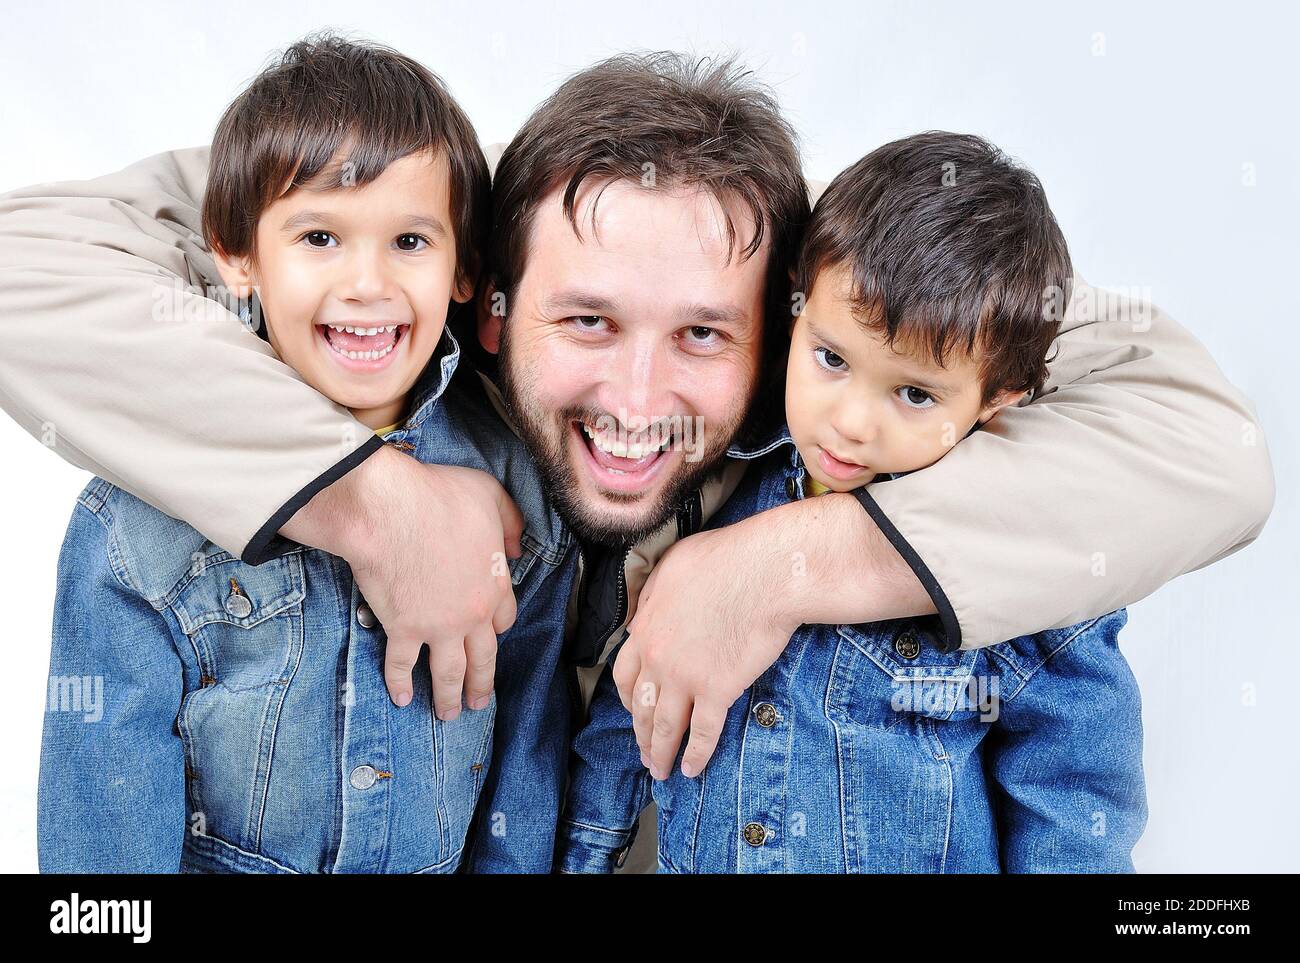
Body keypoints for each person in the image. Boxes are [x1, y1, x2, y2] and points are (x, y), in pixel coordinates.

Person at [1, 52, 1273, 874]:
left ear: (783, 323)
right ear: (485, 304)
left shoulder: (858, 342)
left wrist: (781, 566)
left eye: (707, 336)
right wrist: (370, 498)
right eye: (588, 321)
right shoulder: (418, 253)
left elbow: (1211, 445)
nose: (639, 401)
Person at [37, 34, 573, 874]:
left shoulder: (516, 491)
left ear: (467, 266)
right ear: (237, 254)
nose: (367, 282)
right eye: (320, 237)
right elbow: (103, 825)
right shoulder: (135, 522)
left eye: (410, 242)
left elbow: (524, 768)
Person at [560, 133, 1146, 872]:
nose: (850, 421)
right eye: (831, 358)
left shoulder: (1019, 570)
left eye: (914, 393)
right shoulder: (710, 491)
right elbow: (632, 703)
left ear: (997, 400)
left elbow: (1074, 796)